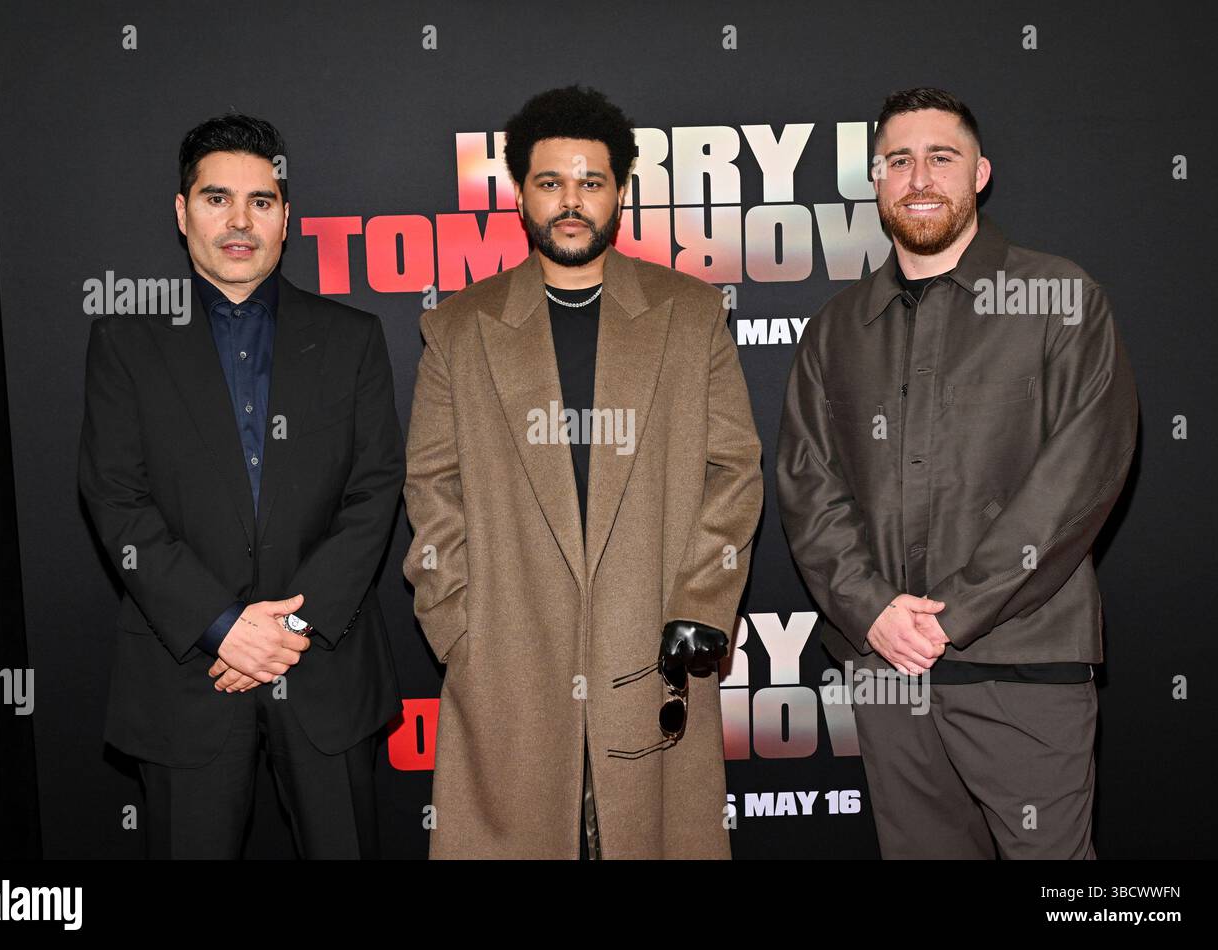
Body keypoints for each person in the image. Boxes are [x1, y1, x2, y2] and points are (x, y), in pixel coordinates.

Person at [402, 85, 763, 858]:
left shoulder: (690, 312)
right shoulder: (459, 328)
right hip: (509, 659)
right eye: (551, 183)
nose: (572, 202)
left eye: (591, 183)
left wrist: (700, 604)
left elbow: (733, 470)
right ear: (520, 194)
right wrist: (460, 629)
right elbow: (432, 490)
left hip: (655, 648)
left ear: (621, 194)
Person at [775, 87, 1137, 858]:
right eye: (898, 160)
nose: (919, 177)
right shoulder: (836, 330)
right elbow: (809, 487)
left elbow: (1077, 481)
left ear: (980, 174)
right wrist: (872, 609)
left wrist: (952, 615)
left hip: (1024, 664)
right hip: (885, 671)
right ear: (875, 180)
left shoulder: (1060, 299)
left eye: (942, 157)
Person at [78, 113, 405, 858]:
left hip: (324, 670)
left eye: (261, 201)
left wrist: (289, 628)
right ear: (181, 210)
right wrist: (222, 624)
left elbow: (375, 489)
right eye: (216, 197)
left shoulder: (352, 338)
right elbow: (116, 500)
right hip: (187, 676)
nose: (238, 221)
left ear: (287, 218)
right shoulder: (124, 340)